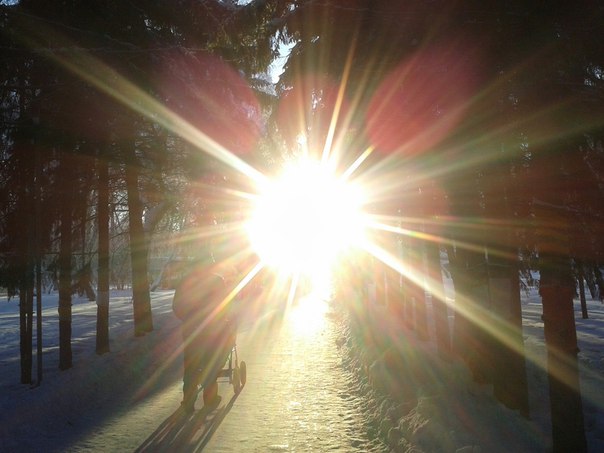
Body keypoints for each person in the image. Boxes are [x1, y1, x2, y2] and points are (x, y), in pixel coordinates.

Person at [173, 262, 232, 412]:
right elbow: (225, 304)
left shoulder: (186, 281)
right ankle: (210, 399)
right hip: (212, 330)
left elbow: (177, 306)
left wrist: (188, 319)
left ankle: (188, 402)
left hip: (191, 331)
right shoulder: (217, 281)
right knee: (210, 363)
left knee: (191, 366)